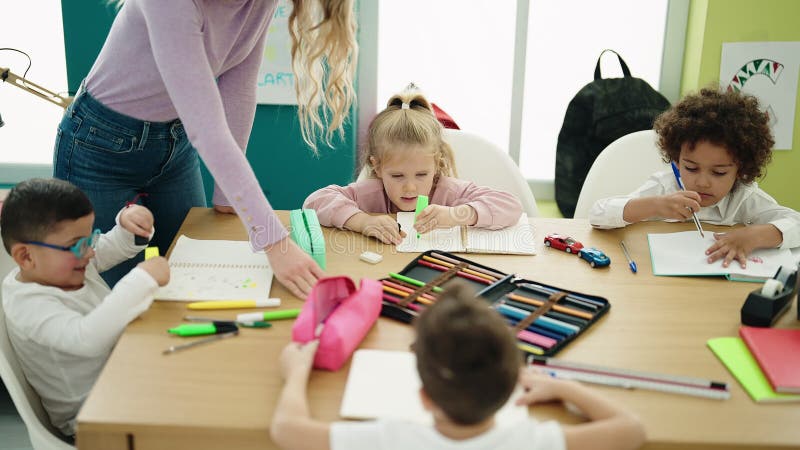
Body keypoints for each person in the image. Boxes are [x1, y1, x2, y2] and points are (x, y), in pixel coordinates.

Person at [53, 0, 358, 297]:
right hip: (99, 147)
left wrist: (227, 197)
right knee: (115, 297)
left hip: (174, 144)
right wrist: (275, 242)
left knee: (188, 279)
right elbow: (208, 129)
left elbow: (240, 83)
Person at [269, 282, 646, 450]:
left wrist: (297, 373)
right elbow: (631, 430)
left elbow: (287, 431)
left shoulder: (388, 439)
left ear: (424, 398)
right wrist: (564, 387)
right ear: (510, 387)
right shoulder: (532, 442)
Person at [0, 178, 170, 437]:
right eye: (78, 244)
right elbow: (85, 338)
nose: (89, 252)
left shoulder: (65, 262)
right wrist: (141, 280)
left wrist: (129, 225)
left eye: (90, 238)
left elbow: (109, 247)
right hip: (92, 419)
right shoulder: (27, 304)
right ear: (26, 256)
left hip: (123, 379)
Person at [589, 87, 800, 268]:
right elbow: (598, 214)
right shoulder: (665, 188)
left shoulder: (744, 197)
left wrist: (755, 236)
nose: (702, 182)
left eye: (719, 172)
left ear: (741, 169)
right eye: (690, 168)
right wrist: (654, 205)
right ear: (677, 160)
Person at [303, 86, 523, 244]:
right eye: (397, 176)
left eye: (421, 174)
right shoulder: (371, 192)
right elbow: (314, 202)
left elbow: (511, 206)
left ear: (436, 165)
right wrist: (361, 222)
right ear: (377, 167)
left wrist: (455, 215)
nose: (410, 188)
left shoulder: (449, 192)